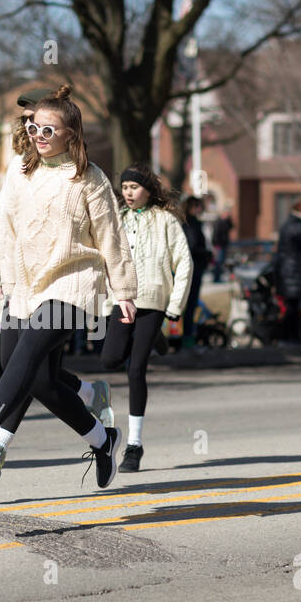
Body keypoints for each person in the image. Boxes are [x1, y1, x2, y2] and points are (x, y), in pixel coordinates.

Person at [0, 83, 136, 488]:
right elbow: (3, 226)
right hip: (24, 284)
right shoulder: (19, 171)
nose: (38, 136)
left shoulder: (90, 178)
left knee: (28, 351)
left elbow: (112, 237)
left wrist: (124, 291)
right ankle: (103, 440)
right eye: (34, 128)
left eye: (48, 130)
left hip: (73, 282)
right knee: (37, 379)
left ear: (71, 133)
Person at [100, 162, 192, 472]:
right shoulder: (117, 219)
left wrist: (175, 306)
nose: (128, 192)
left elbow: (184, 263)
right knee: (109, 360)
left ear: (148, 190)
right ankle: (154, 338)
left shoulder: (165, 220)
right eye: (125, 187)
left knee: (135, 370)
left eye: (134, 187)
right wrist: (104, 302)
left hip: (153, 300)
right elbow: (106, 260)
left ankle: (134, 446)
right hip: (122, 300)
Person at [274, 200, 301, 343]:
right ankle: (289, 336)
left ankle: (291, 336)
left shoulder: (288, 225)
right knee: (293, 307)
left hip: (288, 272)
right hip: (295, 272)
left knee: (292, 306)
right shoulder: (298, 227)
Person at [179, 194, 211, 347]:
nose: (201, 209)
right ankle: (187, 339)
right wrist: (207, 253)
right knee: (190, 304)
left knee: (187, 304)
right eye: (198, 206)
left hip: (190, 267)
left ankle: (185, 337)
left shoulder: (185, 223)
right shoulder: (192, 224)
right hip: (194, 268)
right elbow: (192, 246)